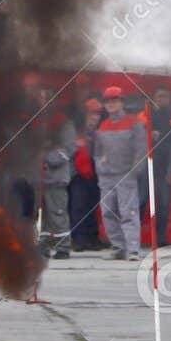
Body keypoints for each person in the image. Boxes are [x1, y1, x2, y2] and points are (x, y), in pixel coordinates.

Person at [94, 85, 145, 261]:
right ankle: (118, 248)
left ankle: (133, 250)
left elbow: (141, 149)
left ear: (121, 102)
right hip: (107, 178)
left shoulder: (134, 123)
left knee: (128, 212)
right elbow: (97, 152)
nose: (111, 104)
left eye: (114, 100)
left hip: (126, 176)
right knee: (108, 213)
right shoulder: (103, 126)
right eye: (108, 101)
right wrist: (100, 169)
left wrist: (135, 171)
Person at [36, 92, 74, 260]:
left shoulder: (63, 123)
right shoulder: (36, 122)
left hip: (56, 178)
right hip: (38, 178)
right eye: (42, 98)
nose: (44, 102)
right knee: (42, 216)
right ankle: (42, 244)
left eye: (47, 98)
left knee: (58, 213)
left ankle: (63, 247)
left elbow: (68, 149)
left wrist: (47, 156)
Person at [68, 99, 103, 251]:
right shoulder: (74, 132)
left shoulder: (100, 133)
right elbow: (68, 153)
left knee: (92, 207)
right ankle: (78, 240)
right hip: (77, 176)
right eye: (91, 113)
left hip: (95, 175)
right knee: (78, 207)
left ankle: (92, 239)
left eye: (97, 114)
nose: (94, 117)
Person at [147, 87, 171, 246]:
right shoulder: (145, 116)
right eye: (159, 96)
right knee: (139, 203)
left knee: (164, 205)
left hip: (164, 169)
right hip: (146, 167)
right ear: (154, 98)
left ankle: (160, 239)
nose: (162, 99)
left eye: (165, 96)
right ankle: (134, 239)